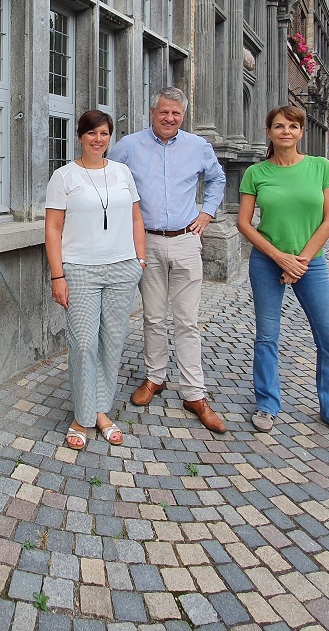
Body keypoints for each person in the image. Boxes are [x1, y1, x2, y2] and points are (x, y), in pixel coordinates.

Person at [237, 105, 329, 446]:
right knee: (267, 337)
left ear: (301, 132)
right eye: (279, 126)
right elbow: (244, 224)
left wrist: (301, 262)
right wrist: (280, 257)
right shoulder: (256, 173)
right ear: (268, 132)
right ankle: (267, 405)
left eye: (293, 127)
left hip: (311, 264)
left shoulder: (321, 167)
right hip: (267, 261)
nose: (286, 132)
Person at [110, 87, 228, 433]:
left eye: (176, 113)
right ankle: (155, 377)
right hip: (146, 241)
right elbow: (107, 178)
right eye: (163, 112)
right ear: (152, 112)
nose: (169, 118)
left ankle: (194, 394)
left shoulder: (198, 147)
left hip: (186, 240)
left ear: (183, 115)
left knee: (187, 321)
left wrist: (207, 212)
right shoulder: (129, 146)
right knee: (153, 316)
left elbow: (217, 179)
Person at [45, 110, 146, 450]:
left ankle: (100, 411)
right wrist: (57, 275)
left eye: (103, 133)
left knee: (111, 342)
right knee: (84, 343)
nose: (98, 139)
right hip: (79, 270)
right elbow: (53, 228)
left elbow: (136, 218)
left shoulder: (122, 172)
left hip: (122, 269)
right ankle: (82, 416)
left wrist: (140, 260)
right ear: (80, 136)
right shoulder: (63, 177)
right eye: (91, 133)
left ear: (109, 136)